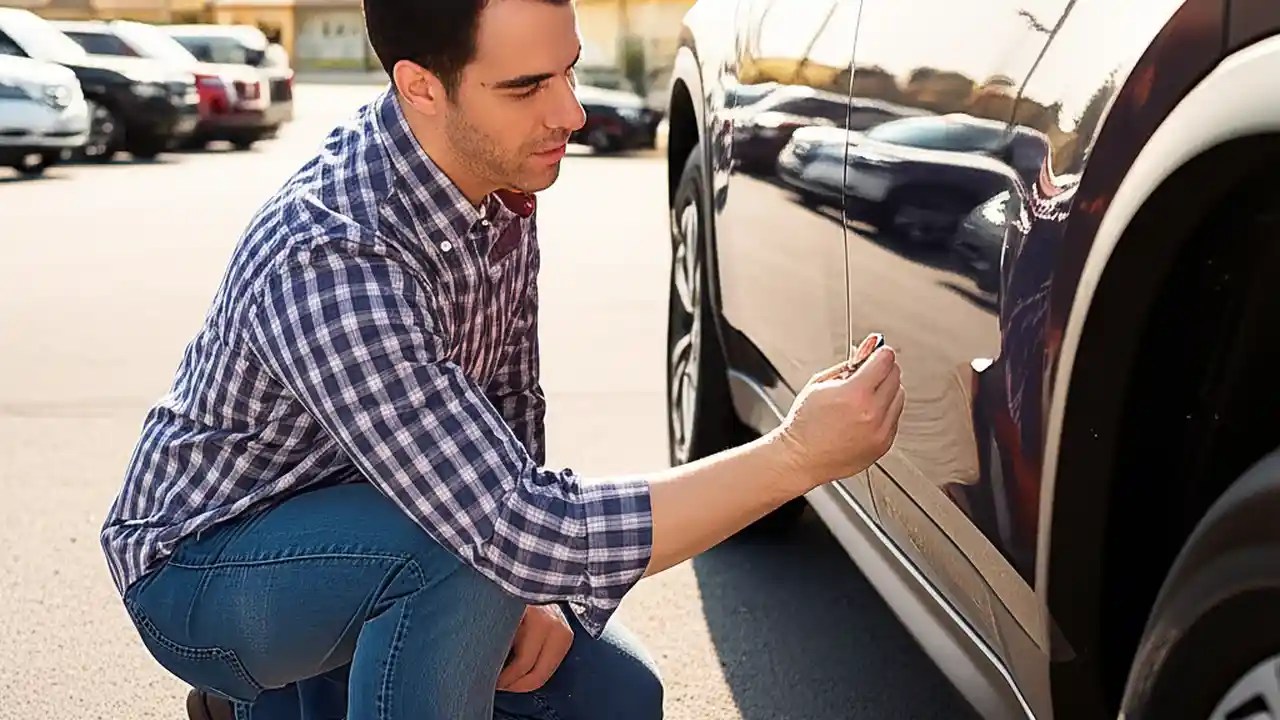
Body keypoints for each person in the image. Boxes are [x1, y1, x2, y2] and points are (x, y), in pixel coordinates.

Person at [100, 0, 906, 717]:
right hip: (205, 563)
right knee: (460, 554)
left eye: (568, 71)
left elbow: (508, 413)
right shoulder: (333, 255)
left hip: (383, 518)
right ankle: (263, 682)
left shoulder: (493, 178)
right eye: (525, 87)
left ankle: (289, 695)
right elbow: (509, 523)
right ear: (420, 86)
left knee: (619, 698)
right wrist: (796, 457)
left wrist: (537, 593)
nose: (572, 112)